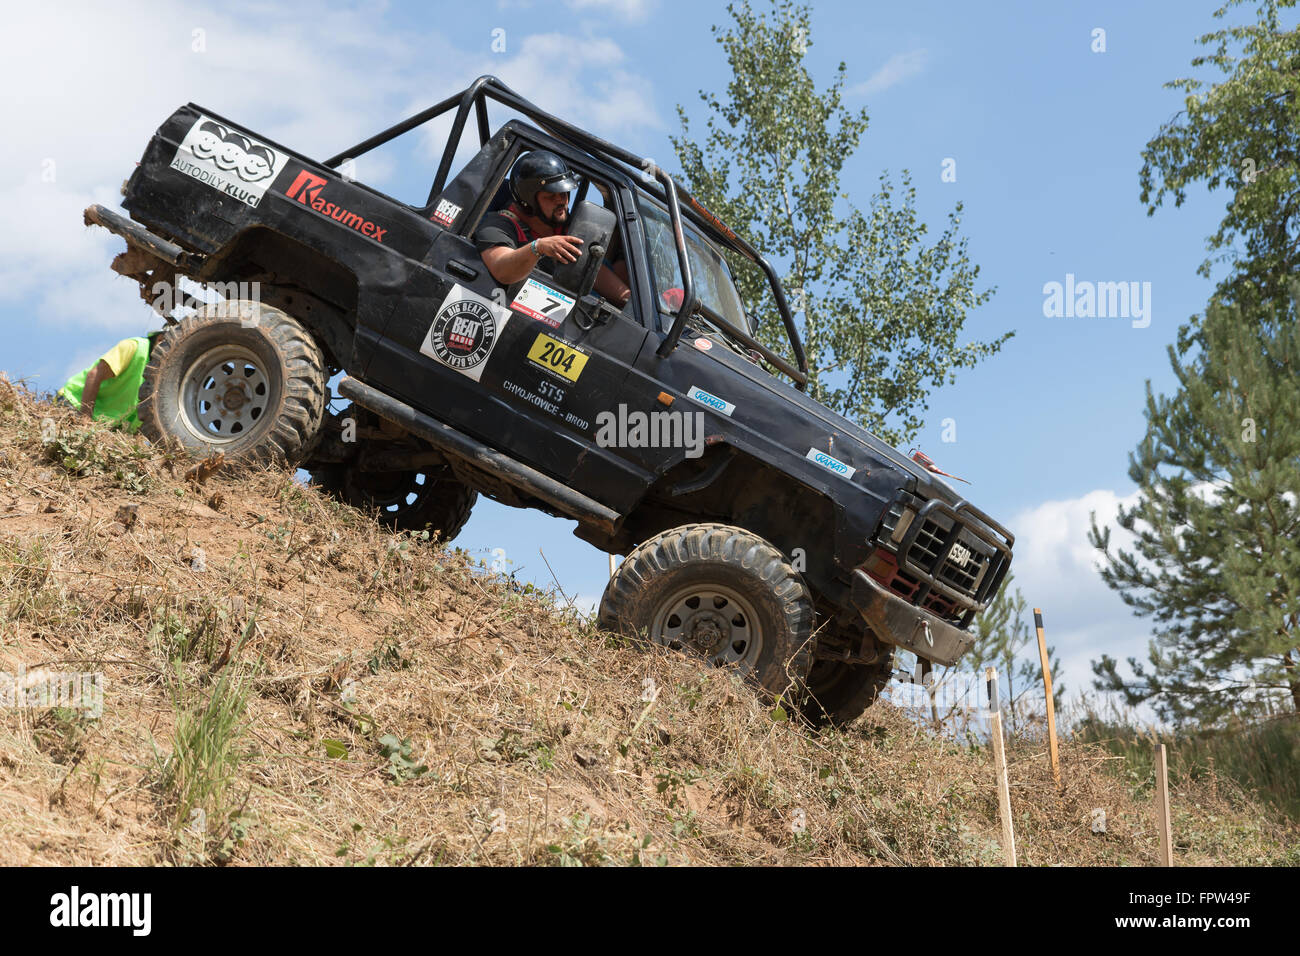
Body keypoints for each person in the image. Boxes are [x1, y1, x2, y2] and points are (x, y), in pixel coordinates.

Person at [476, 150, 631, 308]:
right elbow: (502, 269)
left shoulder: (570, 225)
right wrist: (539, 248)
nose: (562, 201)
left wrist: (630, 303)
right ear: (528, 200)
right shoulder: (498, 224)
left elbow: (591, 269)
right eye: (551, 196)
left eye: (564, 193)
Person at [57, 331, 162, 432]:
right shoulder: (134, 347)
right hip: (75, 405)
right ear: (160, 340)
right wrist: (85, 419)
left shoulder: (163, 377)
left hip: (103, 426)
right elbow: (94, 376)